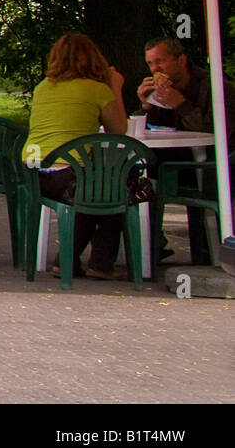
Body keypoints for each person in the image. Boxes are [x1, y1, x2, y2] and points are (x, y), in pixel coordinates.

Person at [24, 33, 130, 279]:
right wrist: (115, 87)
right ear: (94, 59)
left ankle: (67, 261)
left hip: (35, 172)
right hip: (69, 175)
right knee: (117, 187)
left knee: (92, 187)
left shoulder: (42, 88)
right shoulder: (96, 90)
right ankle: (101, 264)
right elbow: (119, 130)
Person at [135, 36, 235, 264]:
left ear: (181, 60)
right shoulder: (159, 90)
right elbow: (148, 130)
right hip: (171, 161)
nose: (155, 68)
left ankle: (209, 250)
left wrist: (181, 104)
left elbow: (218, 133)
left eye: (160, 61)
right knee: (132, 172)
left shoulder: (214, 86)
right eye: (150, 63)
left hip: (214, 165)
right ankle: (149, 248)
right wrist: (146, 106)